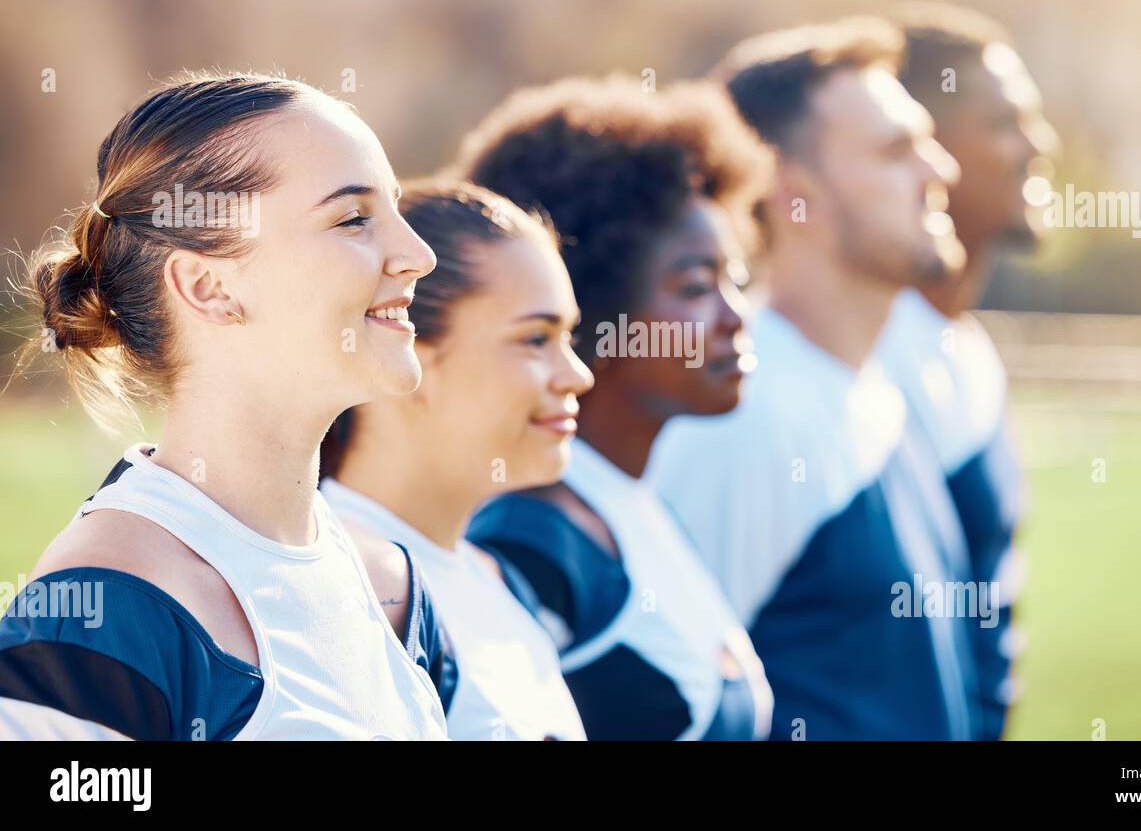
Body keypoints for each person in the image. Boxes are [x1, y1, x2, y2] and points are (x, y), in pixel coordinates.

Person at [0, 72, 450, 740]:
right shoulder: (104, 610)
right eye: (355, 217)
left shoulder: (397, 589)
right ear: (208, 287)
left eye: (396, 211)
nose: (419, 255)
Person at [646, 19, 980, 740]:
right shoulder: (741, 420)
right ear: (797, 197)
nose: (940, 171)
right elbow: (670, 707)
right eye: (898, 152)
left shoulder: (881, 386)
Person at [457, 75, 775, 740]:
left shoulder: (632, 503)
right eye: (696, 286)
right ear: (592, 304)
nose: (735, 316)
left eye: (735, 280)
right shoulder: (528, 539)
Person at [319, 179, 591, 740]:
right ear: (411, 355)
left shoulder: (498, 581)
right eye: (535, 339)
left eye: (569, 337)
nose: (577, 375)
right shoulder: (329, 584)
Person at [874, 2, 1061, 739]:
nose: (1038, 146)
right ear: (926, 147)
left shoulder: (970, 350)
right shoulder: (864, 364)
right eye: (1007, 122)